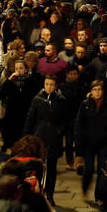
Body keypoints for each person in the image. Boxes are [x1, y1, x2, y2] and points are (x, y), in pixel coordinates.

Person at [23, 74, 68, 205]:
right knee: (37, 166)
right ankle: (37, 192)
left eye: (51, 85)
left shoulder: (61, 100)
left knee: (52, 168)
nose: (49, 87)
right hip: (39, 138)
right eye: (47, 84)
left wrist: (59, 132)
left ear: (56, 86)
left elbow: (65, 120)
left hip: (54, 139)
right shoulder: (37, 99)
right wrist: (26, 136)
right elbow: (30, 118)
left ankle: (50, 194)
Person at [75, 80, 107, 199]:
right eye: (94, 90)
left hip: (103, 143)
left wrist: (106, 135)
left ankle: (99, 195)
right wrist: (80, 140)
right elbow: (80, 124)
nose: (97, 92)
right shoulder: (85, 105)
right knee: (89, 169)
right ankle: (85, 187)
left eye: (99, 90)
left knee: (101, 169)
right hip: (88, 143)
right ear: (91, 91)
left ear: (103, 91)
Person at [0, 58, 34, 149]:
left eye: (21, 68)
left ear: (26, 70)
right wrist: (9, 80)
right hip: (11, 116)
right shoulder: (10, 82)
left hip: (25, 117)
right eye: (16, 68)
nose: (18, 71)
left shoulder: (31, 82)